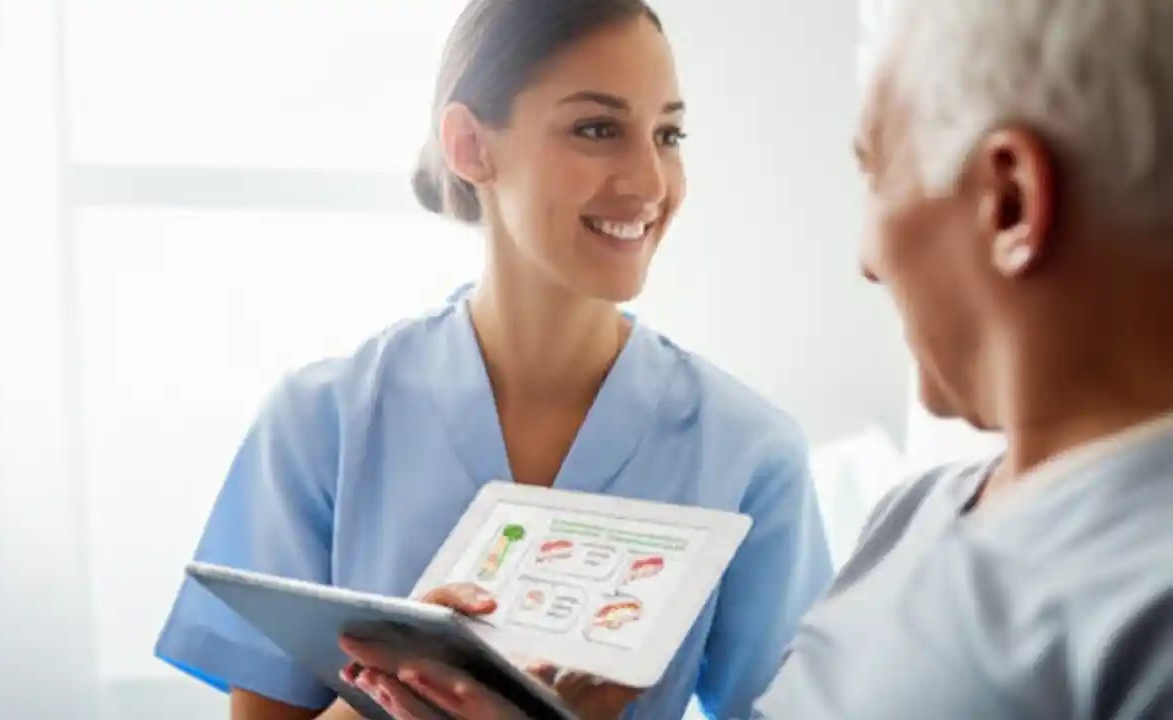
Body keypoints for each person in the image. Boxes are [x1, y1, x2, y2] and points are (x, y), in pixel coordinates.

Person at [358, 0, 1173, 718]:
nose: (868, 259)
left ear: (1010, 202)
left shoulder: (1141, 614)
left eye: (875, 171)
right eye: (598, 127)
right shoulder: (916, 516)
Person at [152, 1, 834, 718]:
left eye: (668, 134)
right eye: (597, 129)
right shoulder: (320, 424)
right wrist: (401, 689)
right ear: (471, 145)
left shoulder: (748, 452)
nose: (650, 182)